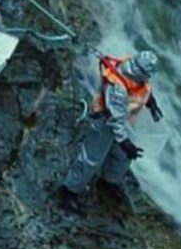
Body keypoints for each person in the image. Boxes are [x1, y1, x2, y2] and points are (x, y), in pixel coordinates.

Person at [58, 50, 163, 214]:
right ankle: (69, 191)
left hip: (126, 120)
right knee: (91, 158)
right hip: (106, 122)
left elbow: (142, 89)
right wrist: (125, 142)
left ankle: (109, 181)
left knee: (123, 156)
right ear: (141, 72)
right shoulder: (117, 88)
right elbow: (116, 119)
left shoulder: (136, 74)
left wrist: (152, 104)